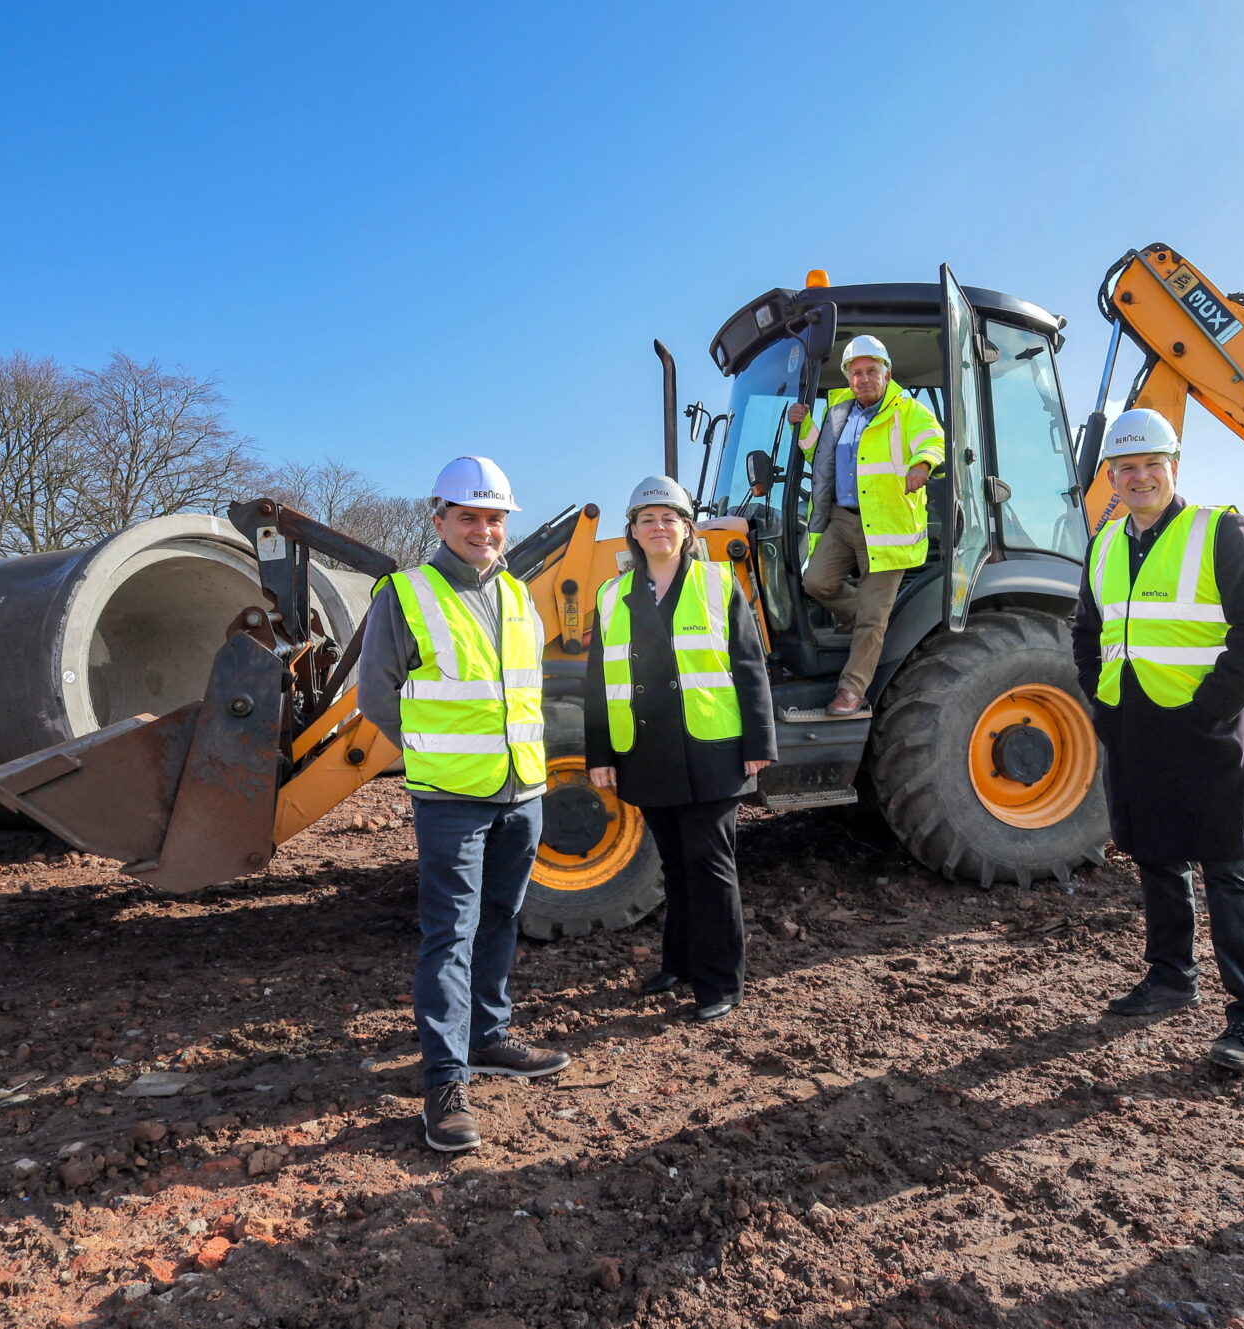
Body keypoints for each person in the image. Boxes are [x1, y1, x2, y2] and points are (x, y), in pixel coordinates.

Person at [357, 455, 571, 1153]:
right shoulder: (406, 593)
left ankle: (489, 1036)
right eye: (469, 517)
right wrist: (432, 756)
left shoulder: (517, 594)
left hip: (523, 790)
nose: (484, 530)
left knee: (501, 918)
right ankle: (445, 1081)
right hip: (452, 797)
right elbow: (376, 695)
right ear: (439, 520)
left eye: (495, 519)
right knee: (450, 933)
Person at [1072, 409, 1244, 1072]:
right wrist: (1101, 701)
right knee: (1156, 858)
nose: (1139, 477)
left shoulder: (1219, 531)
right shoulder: (1104, 544)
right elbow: (1087, 632)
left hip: (1205, 730)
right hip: (1133, 725)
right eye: (1126, 468)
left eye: (1151, 465)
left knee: (1227, 870)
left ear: (1173, 467)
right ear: (1111, 476)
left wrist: (1212, 708)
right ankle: (1171, 977)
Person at [584, 476, 776, 1021]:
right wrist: (600, 755)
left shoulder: (718, 584)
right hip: (645, 750)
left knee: (710, 865)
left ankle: (720, 983)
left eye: (669, 518)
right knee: (675, 864)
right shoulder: (611, 596)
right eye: (647, 520)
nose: (658, 527)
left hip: (713, 749)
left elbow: (749, 665)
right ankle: (680, 964)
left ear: (687, 529)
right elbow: (597, 683)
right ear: (633, 532)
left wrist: (758, 741)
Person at [786, 334, 945, 716]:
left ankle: (851, 690)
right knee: (816, 582)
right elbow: (821, 455)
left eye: (871, 370)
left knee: (873, 619)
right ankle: (862, 616)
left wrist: (922, 464)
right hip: (843, 520)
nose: (864, 378)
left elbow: (933, 440)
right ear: (848, 378)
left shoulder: (907, 410)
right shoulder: (838, 411)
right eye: (856, 373)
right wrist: (803, 426)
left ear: (886, 373)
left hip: (887, 528)